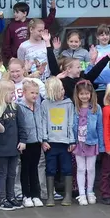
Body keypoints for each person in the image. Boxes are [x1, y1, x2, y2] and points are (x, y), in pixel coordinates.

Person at [68, 79, 102, 206]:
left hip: (92, 142)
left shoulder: (96, 108)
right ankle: (81, 193)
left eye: (87, 94)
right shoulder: (74, 108)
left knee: (91, 168)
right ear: (77, 95)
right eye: (81, 94)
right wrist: (71, 141)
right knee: (81, 168)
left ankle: (90, 191)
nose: (84, 96)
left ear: (91, 94)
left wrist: (102, 144)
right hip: (78, 143)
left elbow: (99, 127)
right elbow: (70, 126)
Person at [42, 78, 74, 206]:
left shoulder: (68, 103)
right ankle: (50, 196)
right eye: (60, 89)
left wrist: (72, 140)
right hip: (50, 143)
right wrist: (44, 139)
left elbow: (71, 122)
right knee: (50, 169)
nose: (63, 91)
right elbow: (43, 121)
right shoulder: (45, 104)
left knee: (67, 168)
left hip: (65, 143)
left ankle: (68, 196)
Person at [0, 79, 21, 211]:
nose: (13, 95)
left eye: (13, 92)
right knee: (2, 173)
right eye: (10, 92)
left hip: (14, 147)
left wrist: (22, 141)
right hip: (2, 149)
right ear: (2, 94)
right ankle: (1, 199)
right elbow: (1, 130)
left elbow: (21, 126)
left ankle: (11, 196)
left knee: (12, 173)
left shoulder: (16, 108)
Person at [16, 79, 47, 208]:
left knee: (34, 169)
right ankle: (26, 195)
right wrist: (21, 141)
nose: (34, 95)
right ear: (24, 93)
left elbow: (42, 123)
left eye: (36, 93)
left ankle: (36, 195)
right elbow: (20, 126)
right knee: (25, 169)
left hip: (36, 142)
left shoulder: (39, 107)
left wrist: (43, 139)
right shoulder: (19, 107)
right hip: (25, 143)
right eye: (32, 93)